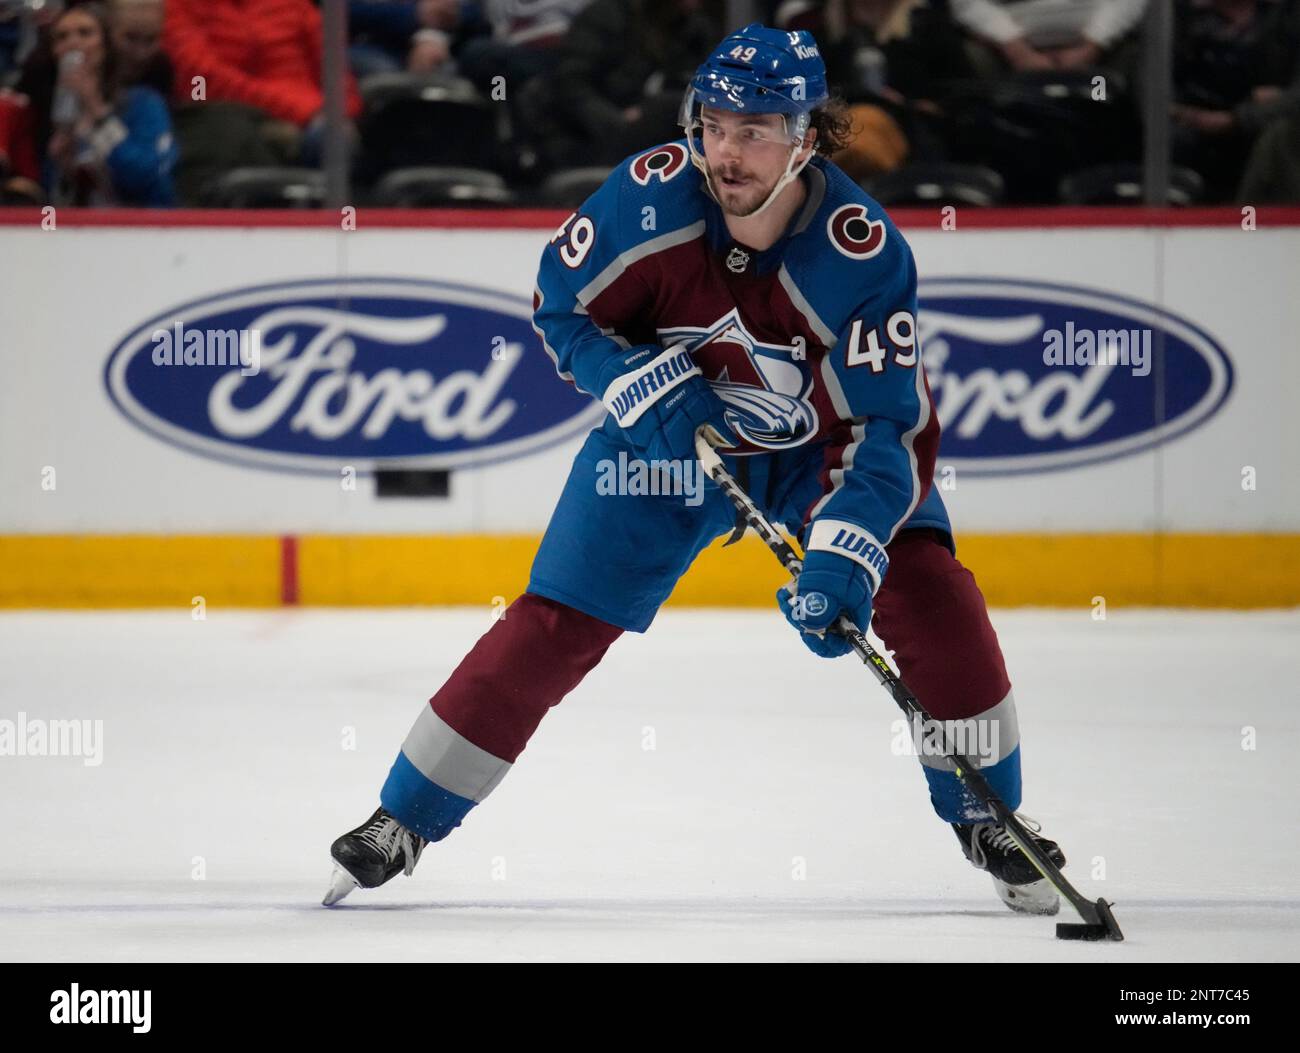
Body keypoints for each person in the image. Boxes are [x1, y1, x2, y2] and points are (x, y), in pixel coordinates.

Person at [324, 24, 1067, 916]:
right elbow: (562, 310)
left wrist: (844, 554)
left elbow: (887, 429)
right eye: (714, 123)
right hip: (666, 447)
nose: (727, 150)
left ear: (810, 134)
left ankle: (991, 816)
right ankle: (402, 816)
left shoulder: (864, 254)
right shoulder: (648, 200)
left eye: (755, 129)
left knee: (933, 592)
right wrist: (627, 379)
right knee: (556, 619)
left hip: (812, 459)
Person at [36, 1, 175, 205]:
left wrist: (96, 110)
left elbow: (145, 176)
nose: (73, 43)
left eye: (85, 33)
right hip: (80, 232)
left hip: (145, 229)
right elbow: (52, 207)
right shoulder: (55, 114)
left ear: (106, 44)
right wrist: (63, 171)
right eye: (62, 37)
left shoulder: (144, 104)